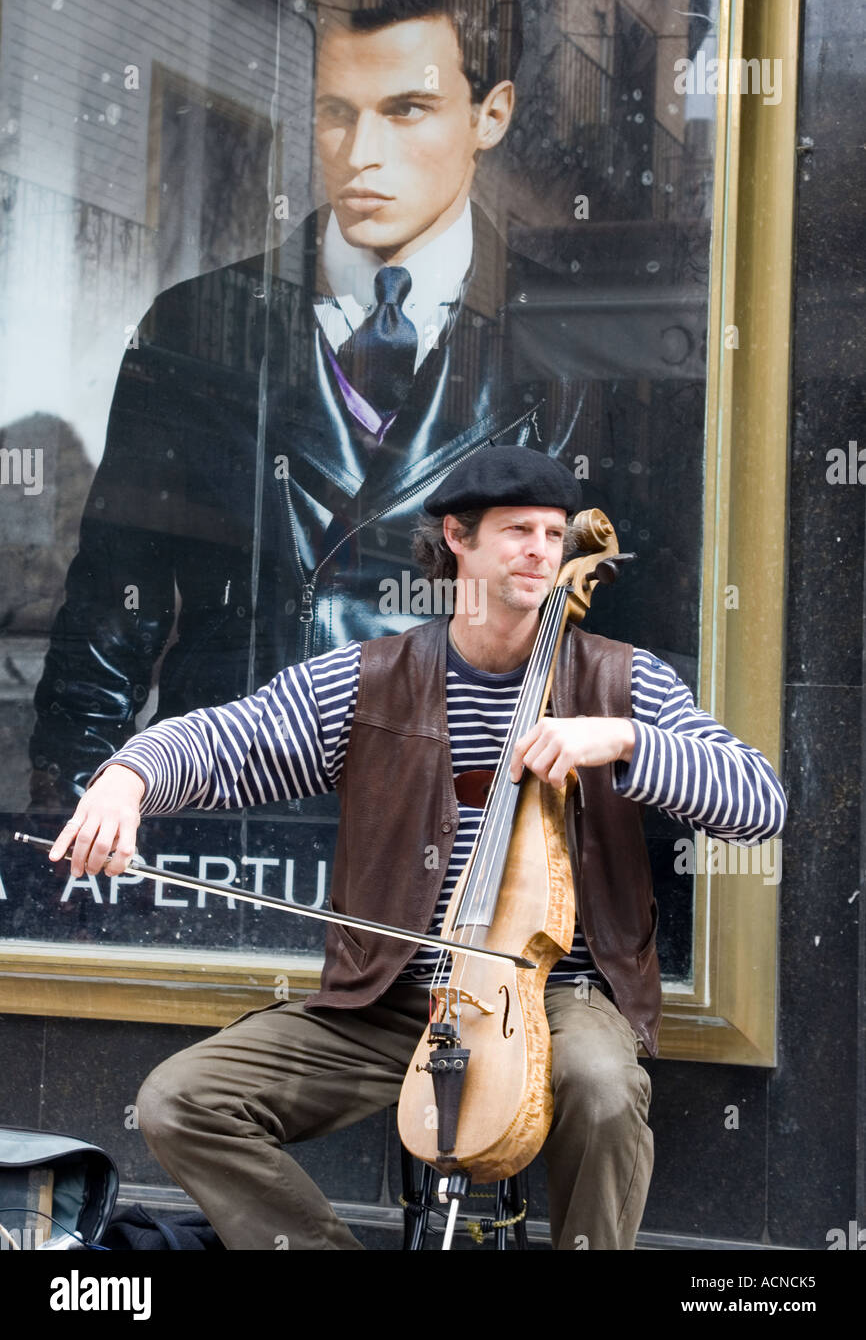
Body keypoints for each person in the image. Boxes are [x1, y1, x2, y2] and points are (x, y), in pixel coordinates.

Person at [49, 446, 787, 1250]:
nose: (542, 549)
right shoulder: (372, 678)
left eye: (552, 532)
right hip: (396, 994)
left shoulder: (624, 684)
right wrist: (129, 777)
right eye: (517, 531)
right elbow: (230, 738)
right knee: (181, 1098)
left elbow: (760, 803)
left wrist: (622, 740)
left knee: (604, 1087)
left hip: (556, 996)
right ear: (457, 538)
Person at [30, 0, 589, 806]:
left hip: (445, 851)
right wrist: (66, 858)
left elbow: (606, 658)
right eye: (337, 112)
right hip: (223, 844)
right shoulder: (193, 327)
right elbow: (109, 626)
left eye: (408, 110)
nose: (362, 154)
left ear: (492, 113)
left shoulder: (561, 361)